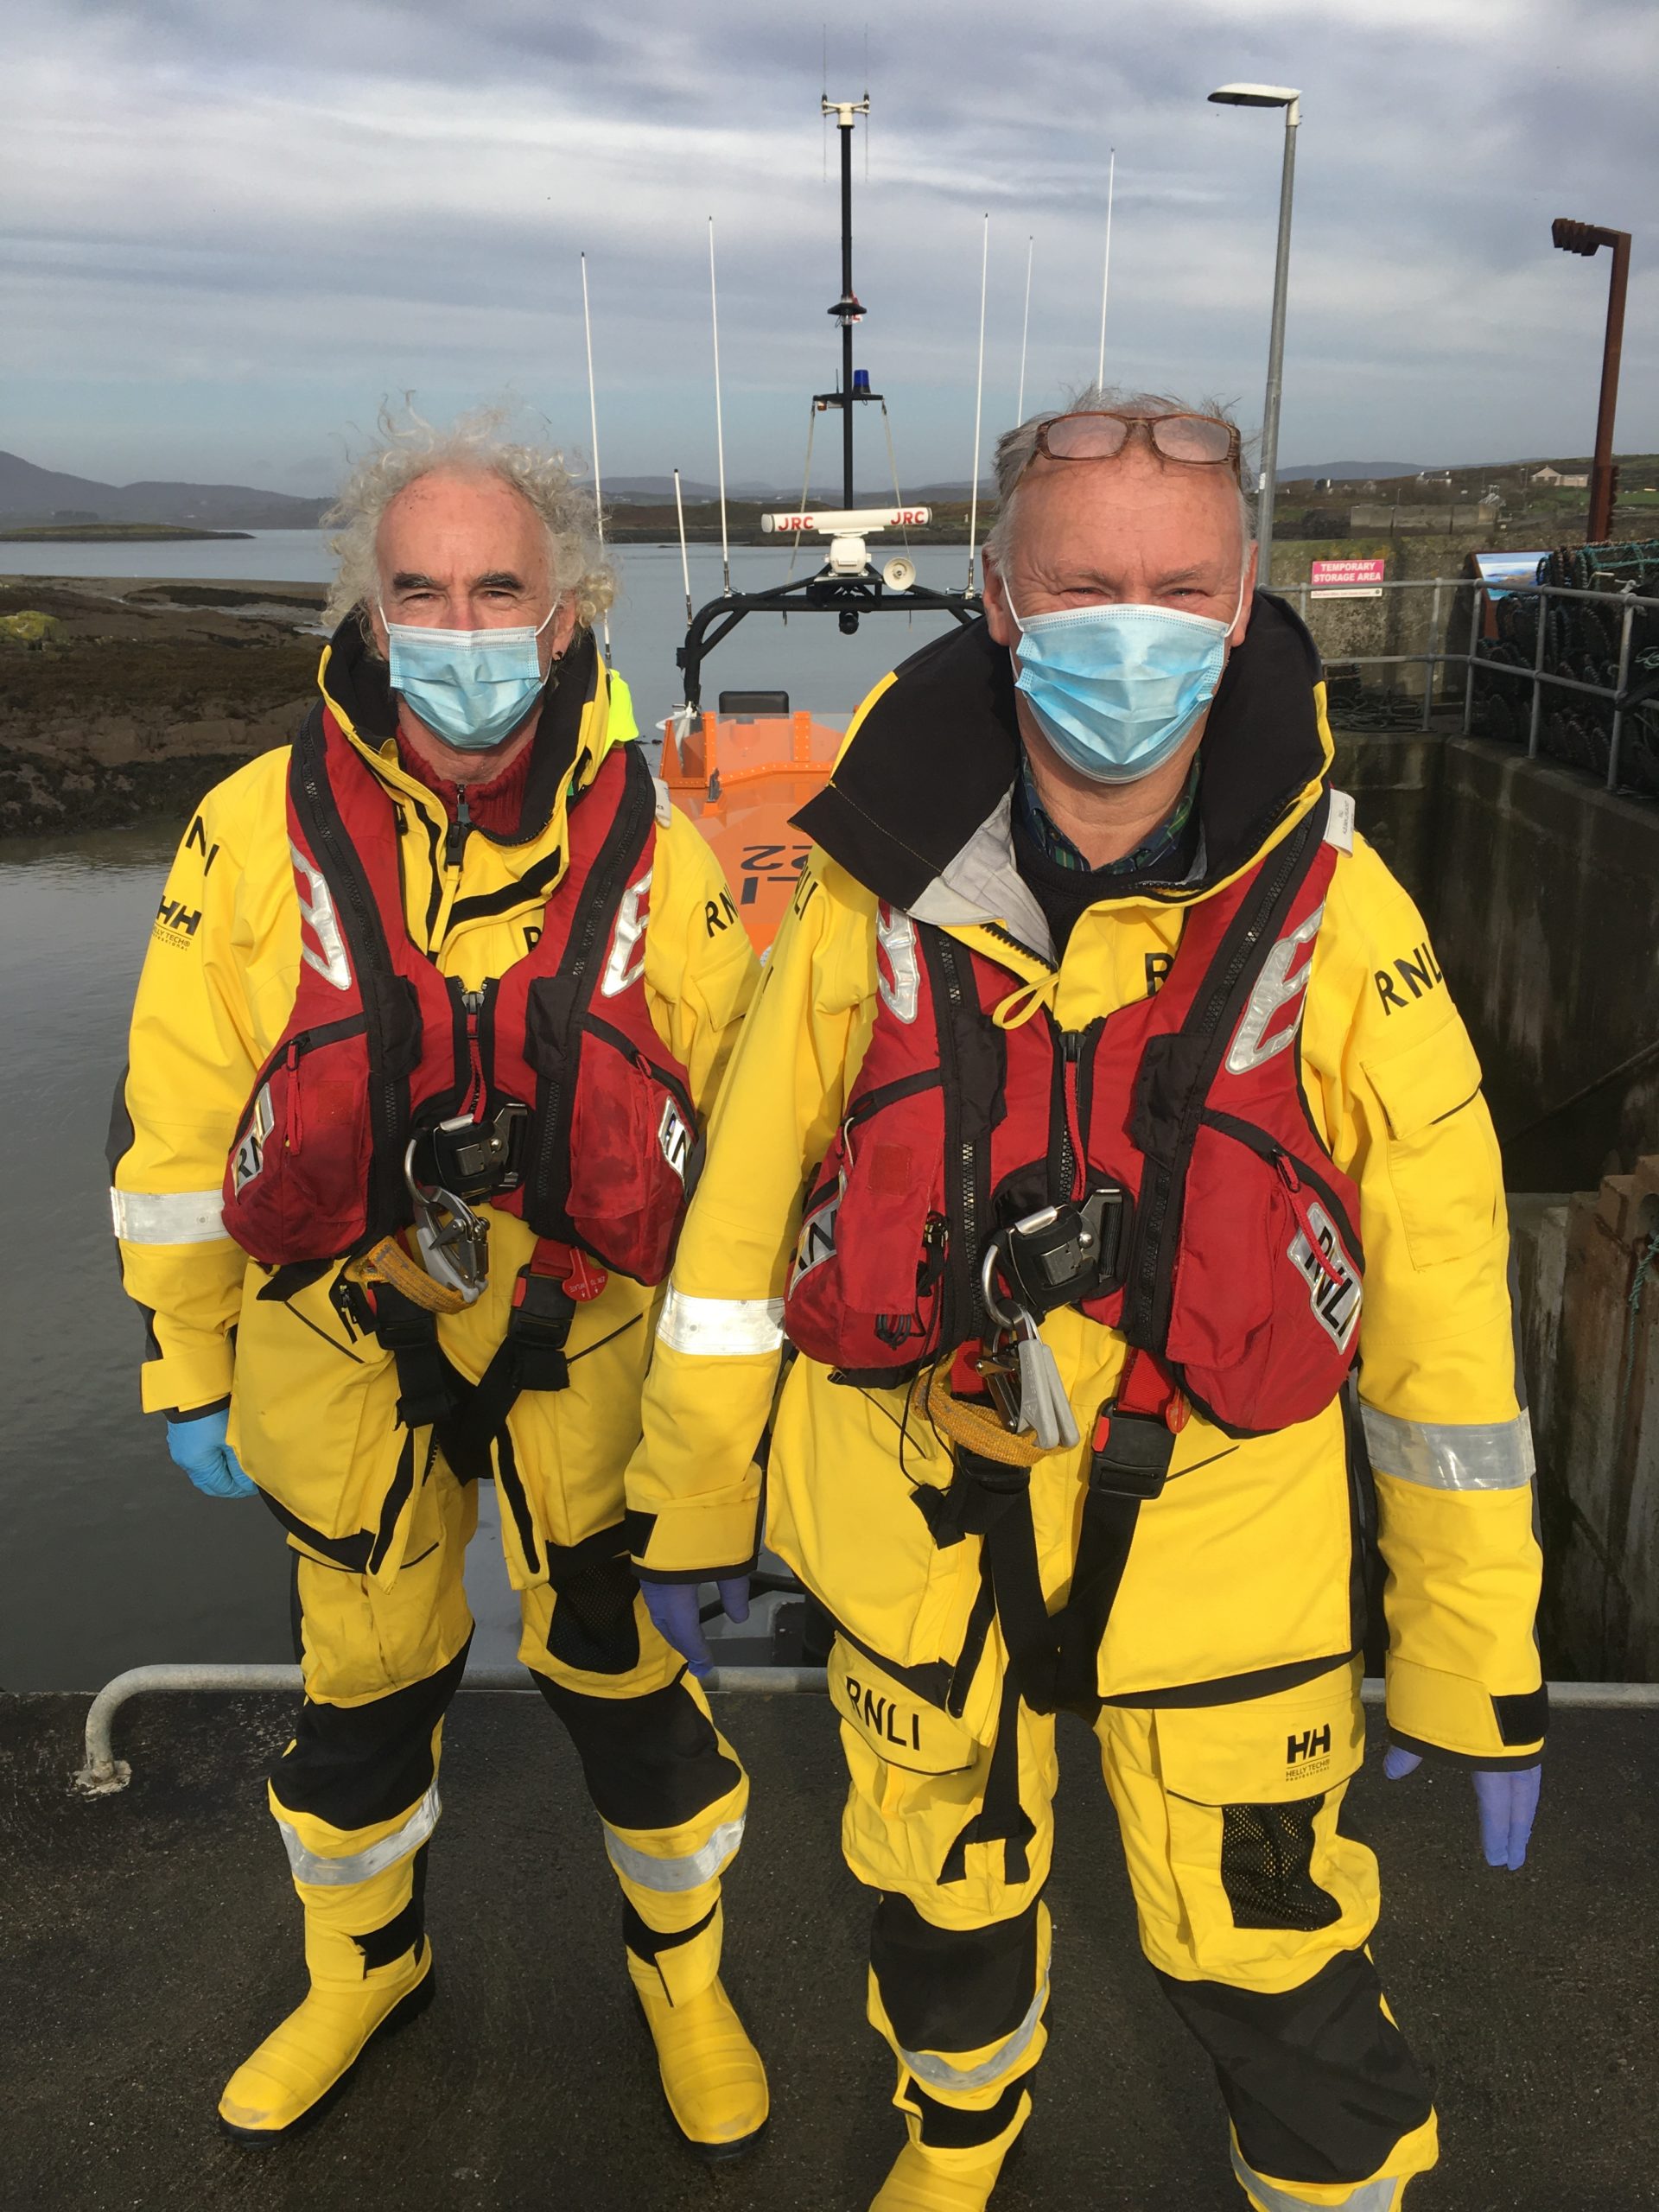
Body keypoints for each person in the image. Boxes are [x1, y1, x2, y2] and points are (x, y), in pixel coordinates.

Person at [626, 388, 1544, 2211]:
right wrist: (696, 1495)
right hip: (917, 1521)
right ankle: (956, 2142)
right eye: (1085, 581)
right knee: (937, 1893)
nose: (1132, 624)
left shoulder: (1347, 918)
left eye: (1177, 583)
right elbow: (736, 1234)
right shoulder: (856, 898)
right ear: (994, 597)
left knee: (1270, 1959)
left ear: (1246, 595)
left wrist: (1471, 1652)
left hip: (1227, 1545)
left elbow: (1448, 1326)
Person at [108, 414, 769, 2155]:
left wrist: (737, 1416)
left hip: (594, 1337)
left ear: (564, 619)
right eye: (423, 590)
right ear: (371, 609)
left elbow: (748, 1156)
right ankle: (365, 1964)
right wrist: (183, 1369)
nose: (462, 626)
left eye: (498, 590)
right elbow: (176, 1142)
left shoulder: (671, 854)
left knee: (640, 1696)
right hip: (339, 1333)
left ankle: (687, 1979)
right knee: (364, 1690)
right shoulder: (246, 837)